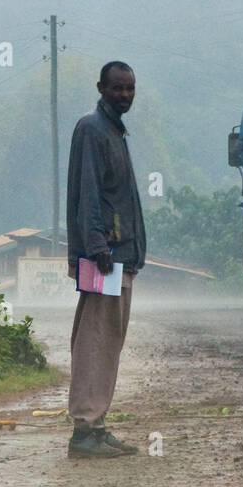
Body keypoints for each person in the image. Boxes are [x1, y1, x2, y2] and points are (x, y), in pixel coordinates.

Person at [66, 61, 147, 458]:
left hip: (119, 257)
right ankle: (84, 432)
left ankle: (96, 427)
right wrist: (98, 246)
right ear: (101, 88)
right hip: (105, 258)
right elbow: (88, 194)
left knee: (107, 341)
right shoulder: (92, 129)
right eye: (118, 88)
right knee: (95, 342)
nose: (125, 95)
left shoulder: (114, 130)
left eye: (130, 88)